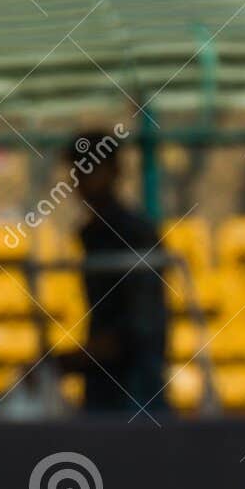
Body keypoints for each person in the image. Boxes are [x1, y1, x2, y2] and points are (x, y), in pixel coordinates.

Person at [71, 139, 168, 419]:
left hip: (136, 388)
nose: (82, 180)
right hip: (102, 386)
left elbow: (139, 327)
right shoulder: (90, 234)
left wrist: (68, 361)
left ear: (114, 171)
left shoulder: (135, 233)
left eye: (91, 169)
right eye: (78, 170)